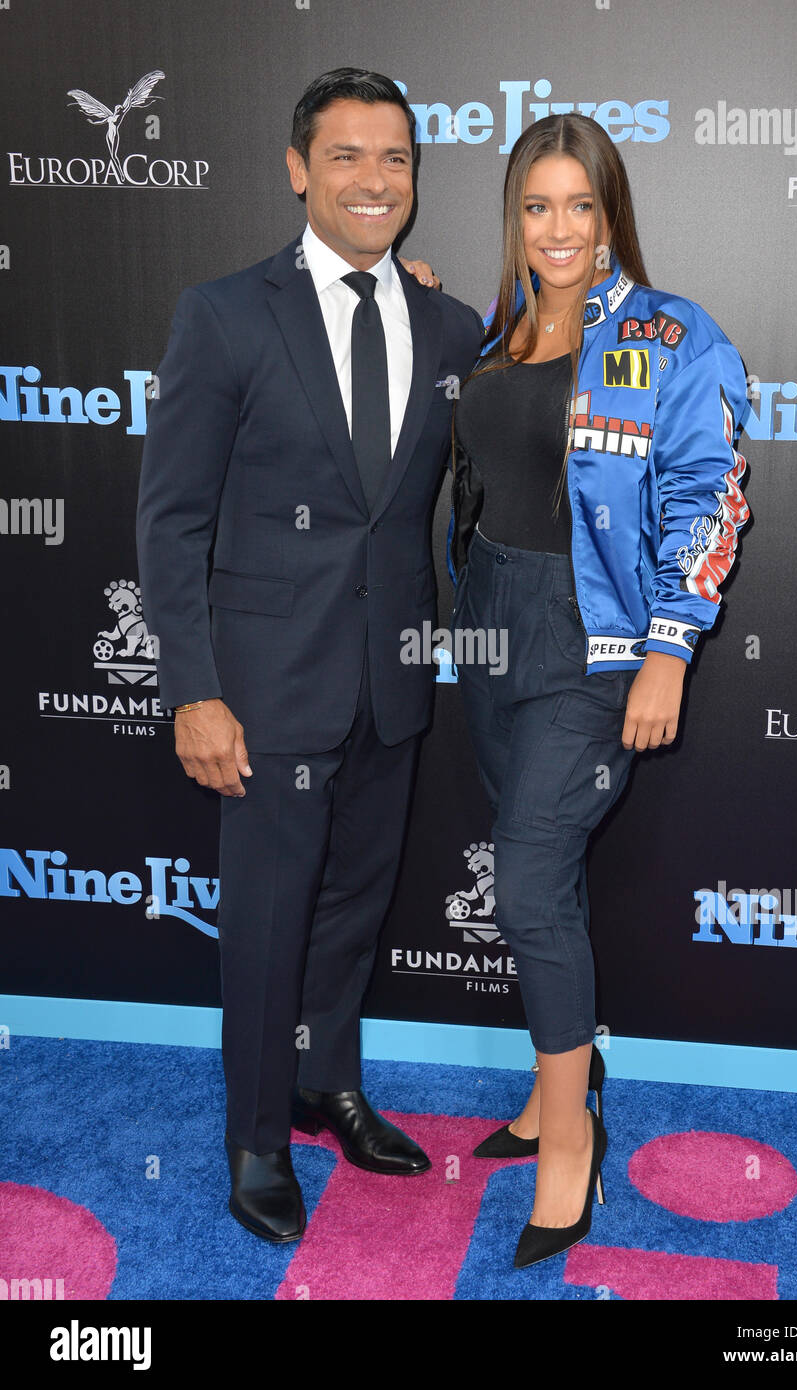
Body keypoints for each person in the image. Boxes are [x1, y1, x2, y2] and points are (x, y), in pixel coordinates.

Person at [136, 68, 483, 1243]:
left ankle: (328, 1084)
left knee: (351, 909)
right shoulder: (225, 313)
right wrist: (193, 690)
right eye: (345, 156)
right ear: (297, 169)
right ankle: (254, 1136)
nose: (373, 179)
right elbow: (171, 520)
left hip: (392, 681)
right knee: (268, 920)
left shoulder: (448, 326)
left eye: (394, 158)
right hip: (264, 691)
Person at [448, 113, 750, 1268]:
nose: (558, 228)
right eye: (536, 206)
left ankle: (568, 1135)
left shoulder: (669, 335)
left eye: (580, 204)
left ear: (611, 211)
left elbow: (708, 492)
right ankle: (548, 1085)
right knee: (544, 878)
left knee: (524, 880)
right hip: (484, 628)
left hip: (600, 645)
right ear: (513, 218)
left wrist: (670, 645)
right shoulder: (496, 327)